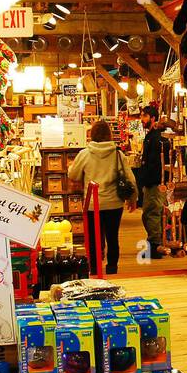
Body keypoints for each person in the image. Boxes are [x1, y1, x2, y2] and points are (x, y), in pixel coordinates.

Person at [68, 121, 136, 276]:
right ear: (109, 134)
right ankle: (112, 268)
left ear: (92, 134)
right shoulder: (118, 154)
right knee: (113, 236)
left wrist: (70, 168)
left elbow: (74, 175)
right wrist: (133, 199)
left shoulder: (84, 154)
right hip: (114, 203)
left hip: (93, 204)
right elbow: (130, 179)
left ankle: (95, 268)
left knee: (94, 238)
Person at [136, 104, 169, 259]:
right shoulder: (151, 137)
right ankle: (155, 244)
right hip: (151, 181)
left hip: (155, 182)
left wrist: (146, 179)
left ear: (153, 118)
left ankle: (155, 246)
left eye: (144, 116)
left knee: (152, 212)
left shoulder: (156, 139)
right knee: (149, 213)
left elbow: (154, 163)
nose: (142, 119)